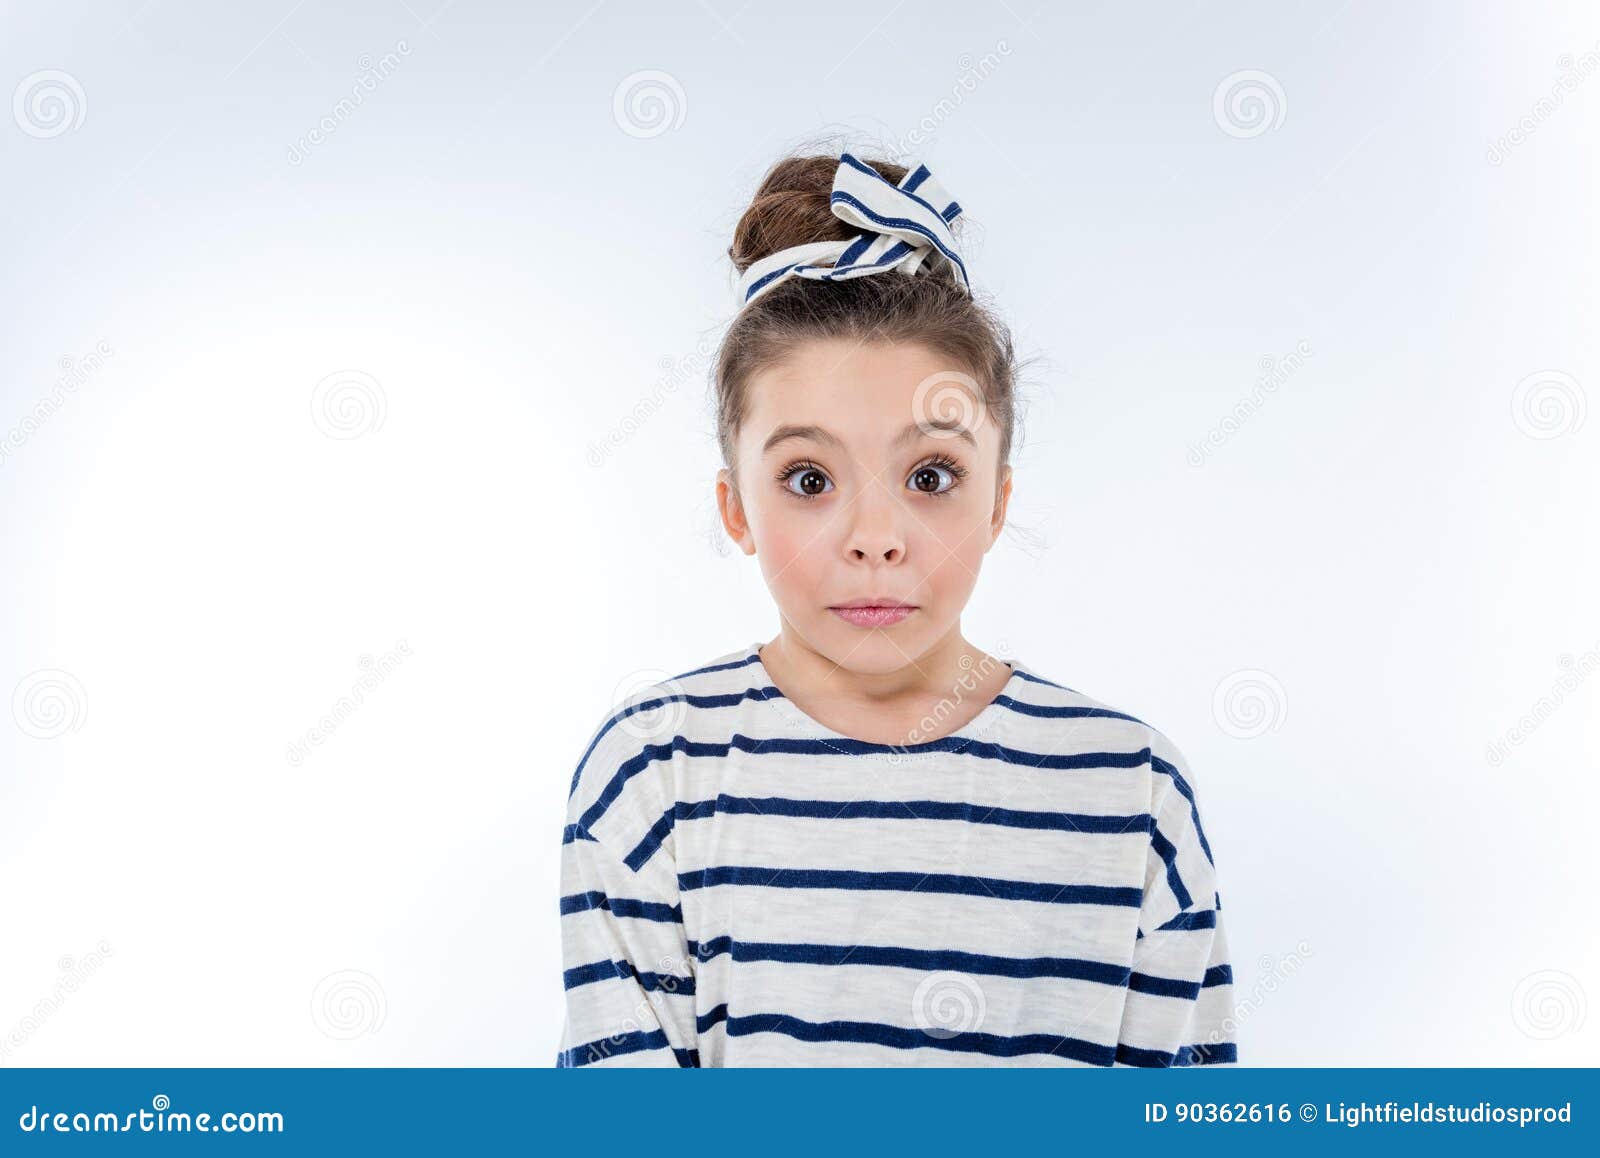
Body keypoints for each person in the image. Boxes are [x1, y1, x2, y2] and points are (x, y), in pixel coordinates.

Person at [556, 148, 1237, 1067]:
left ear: (996, 502)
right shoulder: (653, 774)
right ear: (736, 509)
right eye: (809, 478)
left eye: (930, 476)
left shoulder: (1132, 792)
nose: (876, 539)